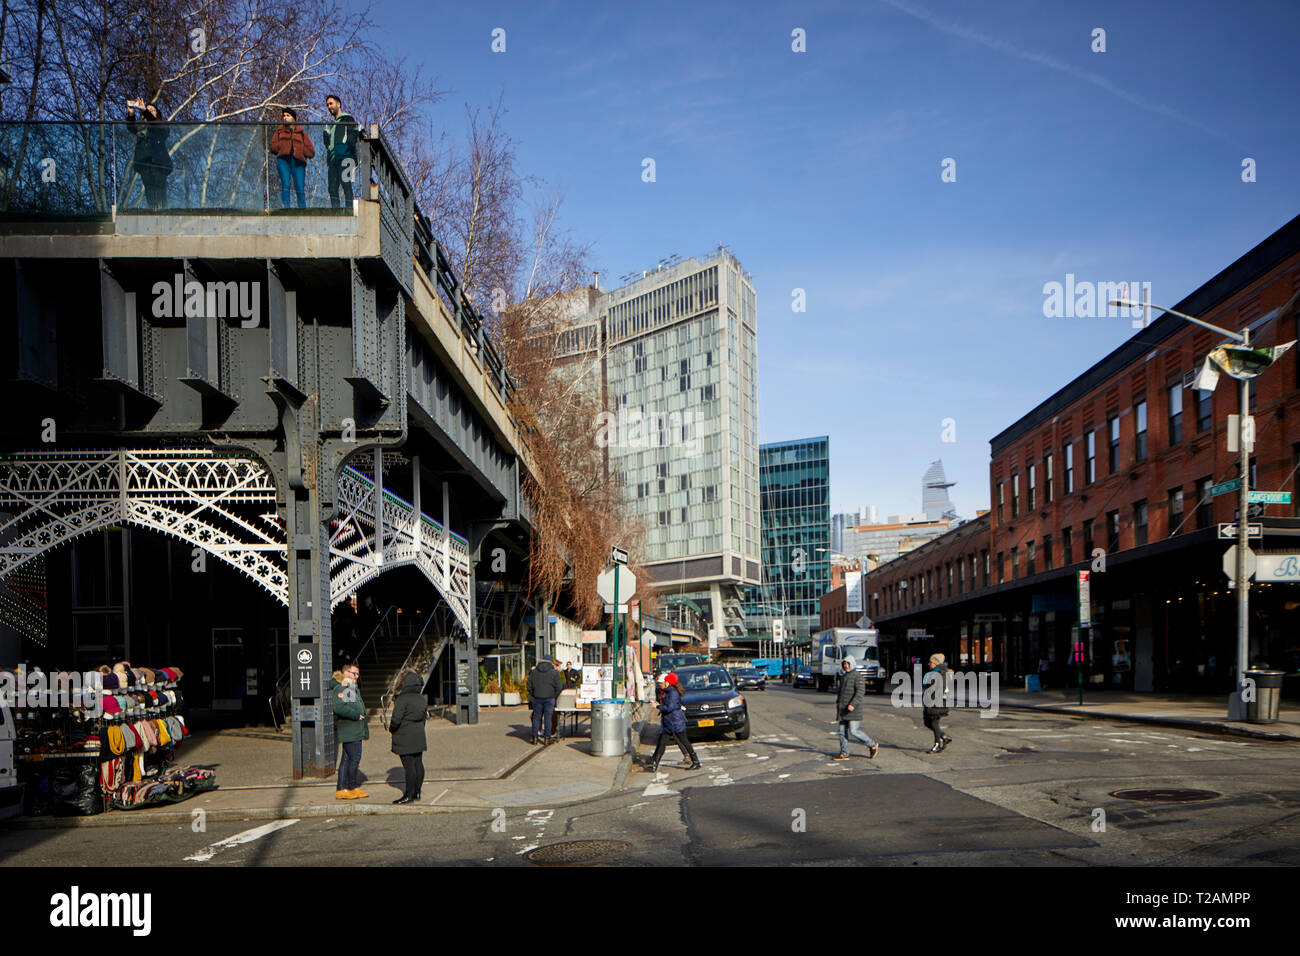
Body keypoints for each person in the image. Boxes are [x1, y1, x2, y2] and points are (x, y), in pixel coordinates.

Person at [645, 672, 700, 771]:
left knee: (684, 741)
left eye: (663, 682)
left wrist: (657, 706)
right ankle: (654, 765)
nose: (661, 684)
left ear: (668, 683)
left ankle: (696, 761)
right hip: (669, 722)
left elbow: (669, 708)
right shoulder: (669, 692)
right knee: (662, 743)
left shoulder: (672, 693)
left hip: (674, 722)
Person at [330, 664, 369, 800]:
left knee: (346, 760)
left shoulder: (350, 687)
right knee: (354, 759)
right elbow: (340, 707)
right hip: (350, 730)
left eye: (358, 674)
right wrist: (357, 716)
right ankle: (350, 787)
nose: (357, 676)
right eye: (354, 673)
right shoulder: (342, 687)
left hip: (354, 729)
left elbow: (351, 705)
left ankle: (344, 788)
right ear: (346, 672)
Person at [387, 671, 427, 804]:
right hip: (419, 734)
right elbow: (424, 718)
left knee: (409, 766)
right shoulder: (421, 698)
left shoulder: (402, 699)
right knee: (418, 763)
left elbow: (396, 719)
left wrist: (392, 729)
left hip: (404, 736)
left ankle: (408, 794)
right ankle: (417, 791)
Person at [126, 98, 172, 209]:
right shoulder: (141, 127)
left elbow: (158, 126)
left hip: (159, 161)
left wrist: (144, 110)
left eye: (152, 110)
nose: (150, 111)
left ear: (157, 113)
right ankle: (153, 209)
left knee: (160, 186)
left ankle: (162, 209)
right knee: (149, 187)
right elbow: (131, 127)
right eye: (148, 110)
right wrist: (131, 113)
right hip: (144, 161)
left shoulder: (162, 124)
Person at [268, 107, 314, 208]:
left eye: (287, 116)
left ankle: (302, 210)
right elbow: (272, 146)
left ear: (293, 118)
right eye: (283, 116)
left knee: (300, 187)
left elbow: (311, 151)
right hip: (283, 160)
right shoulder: (279, 131)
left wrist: (301, 149)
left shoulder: (301, 133)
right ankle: (286, 208)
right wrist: (281, 146)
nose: (285, 118)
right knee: (286, 184)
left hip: (298, 162)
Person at [834, 657, 878, 760]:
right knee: (842, 732)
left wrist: (853, 704)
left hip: (853, 709)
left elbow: (860, 692)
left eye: (848, 664)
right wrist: (838, 704)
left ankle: (872, 744)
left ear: (852, 664)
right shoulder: (843, 676)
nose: (846, 666)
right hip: (842, 709)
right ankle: (844, 753)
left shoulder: (858, 677)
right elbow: (840, 692)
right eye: (844, 664)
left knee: (854, 731)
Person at [322, 94, 359, 208]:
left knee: (346, 186)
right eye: (327, 105)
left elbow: (353, 135)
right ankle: (335, 212)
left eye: (331, 103)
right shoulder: (331, 125)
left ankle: (349, 210)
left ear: (338, 104)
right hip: (333, 159)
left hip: (345, 157)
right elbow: (327, 143)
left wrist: (345, 147)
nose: (329, 107)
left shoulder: (348, 119)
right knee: (332, 188)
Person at [526, 658, 563, 745]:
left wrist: (534, 694)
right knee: (548, 719)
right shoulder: (554, 672)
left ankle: (534, 738)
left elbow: (528, 685)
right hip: (549, 698)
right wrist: (554, 696)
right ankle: (547, 738)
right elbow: (559, 687)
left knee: (536, 718)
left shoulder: (534, 672)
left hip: (537, 698)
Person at [923, 653, 953, 754]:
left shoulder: (941, 673)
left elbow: (941, 688)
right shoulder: (934, 672)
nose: (929, 663)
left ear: (936, 663)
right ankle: (944, 737)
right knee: (927, 722)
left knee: (934, 723)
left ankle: (937, 744)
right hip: (931, 702)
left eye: (931, 662)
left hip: (937, 703)